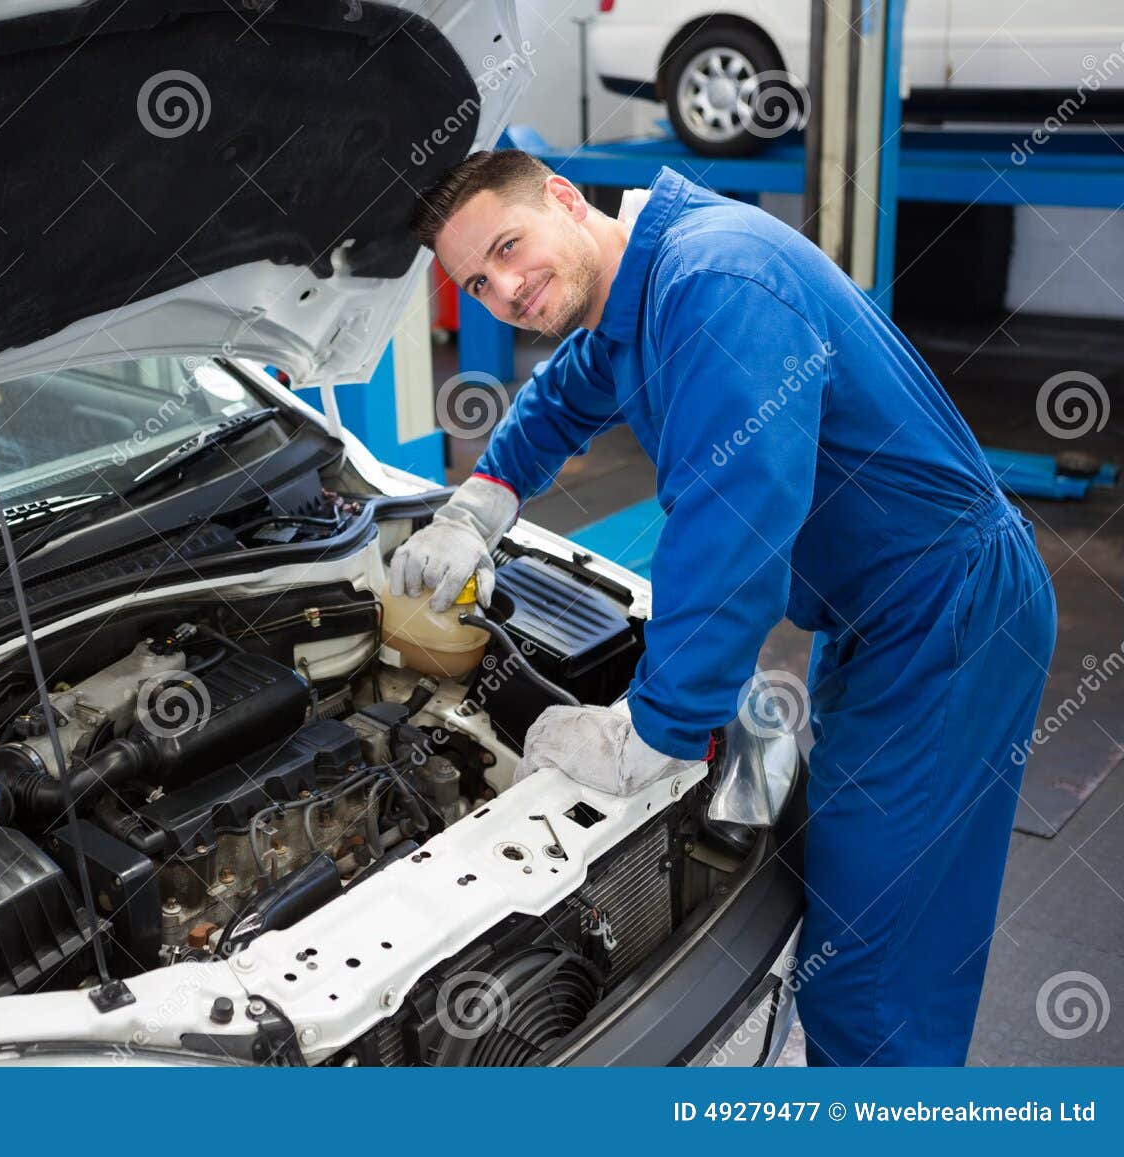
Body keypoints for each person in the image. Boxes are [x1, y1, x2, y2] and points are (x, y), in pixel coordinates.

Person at [392, 150, 1057, 1066]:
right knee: (863, 903)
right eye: (477, 280)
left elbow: (734, 516)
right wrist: (483, 499)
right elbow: (568, 389)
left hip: (947, 617)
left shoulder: (715, 280)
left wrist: (657, 729)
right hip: (885, 615)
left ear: (560, 196)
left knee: (874, 967)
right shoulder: (642, 280)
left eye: (508, 247)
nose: (505, 287)